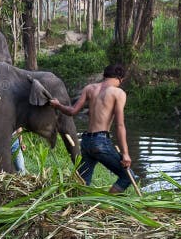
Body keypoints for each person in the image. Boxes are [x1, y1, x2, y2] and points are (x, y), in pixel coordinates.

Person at [49, 63, 134, 193]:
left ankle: (78, 206)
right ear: (120, 78)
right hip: (100, 142)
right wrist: (125, 153)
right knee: (128, 176)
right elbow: (120, 125)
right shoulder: (118, 93)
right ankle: (106, 205)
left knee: (82, 183)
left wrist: (57, 105)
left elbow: (72, 111)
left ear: (105, 75)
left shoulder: (90, 88)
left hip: (86, 142)